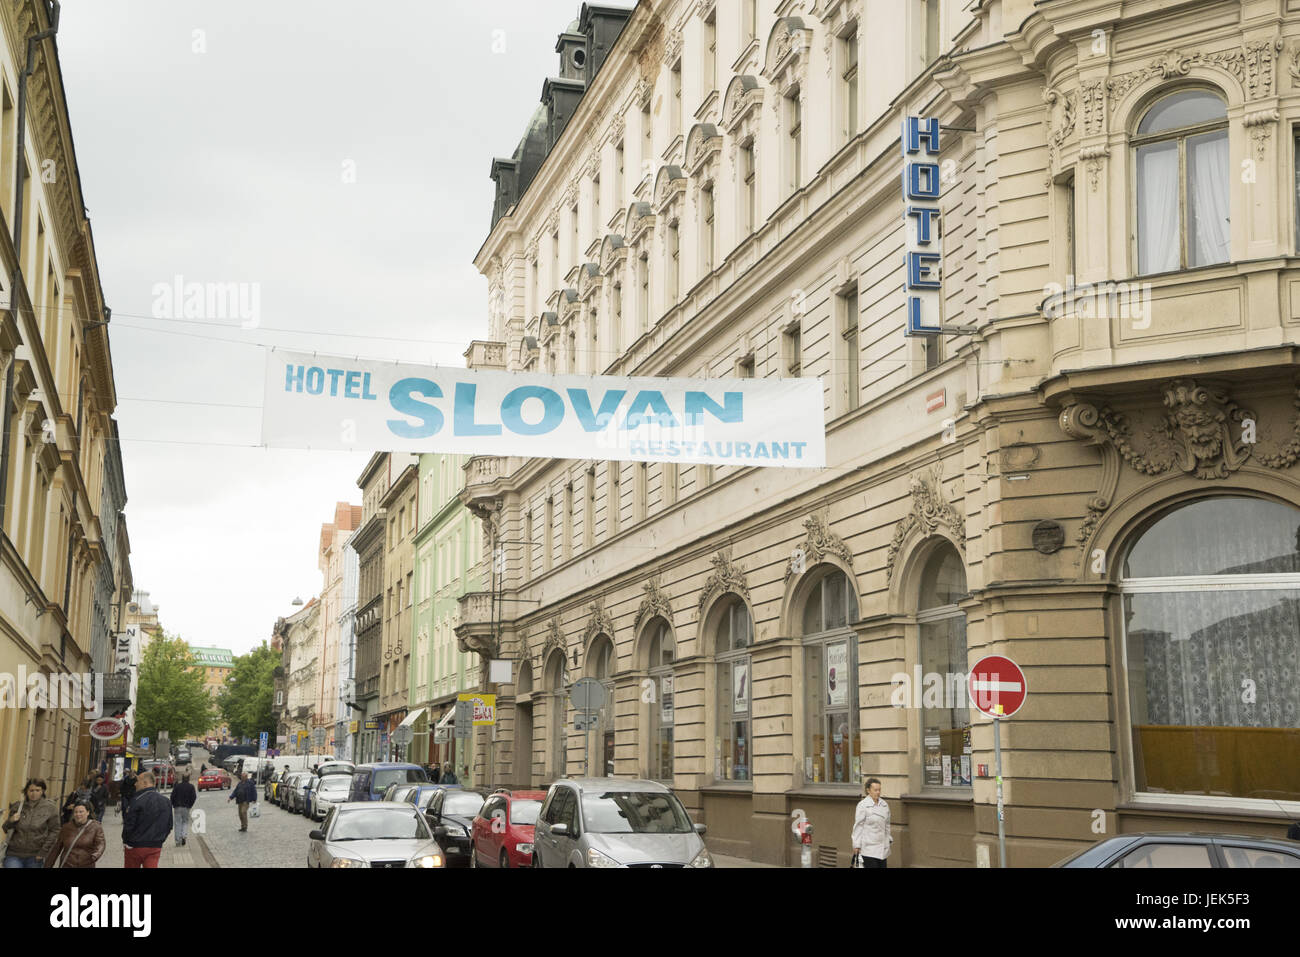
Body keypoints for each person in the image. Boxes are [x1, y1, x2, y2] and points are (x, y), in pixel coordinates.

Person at [2, 779, 60, 868]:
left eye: (37, 790)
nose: (34, 793)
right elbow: (5, 828)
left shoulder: (50, 808)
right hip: (14, 853)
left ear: (42, 791)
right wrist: (11, 820)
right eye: (31, 790)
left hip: (35, 855)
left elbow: (55, 831)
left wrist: (43, 851)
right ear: (26, 791)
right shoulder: (18, 806)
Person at [121, 771, 172, 868]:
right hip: (155, 846)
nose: (135, 784)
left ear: (145, 783)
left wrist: (126, 841)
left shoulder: (137, 800)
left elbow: (129, 824)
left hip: (135, 845)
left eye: (137, 781)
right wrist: (160, 840)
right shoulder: (166, 801)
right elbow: (169, 825)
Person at [45, 801, 105, 869]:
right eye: (76, 812)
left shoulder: (96, 827)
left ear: (88, 812)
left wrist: (96, 855)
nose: (78, 814)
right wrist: (48, 865)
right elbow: (56, 848)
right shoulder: (66, 828)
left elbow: (101, 843)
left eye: (81, 812)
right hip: (67, 864)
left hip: (86, 864)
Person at [851, 777, 892, 868]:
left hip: (882, 849)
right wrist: (856, 845)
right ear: (868, 790)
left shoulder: (884, 805)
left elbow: (887, 825)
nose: (878, 792)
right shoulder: (863, 805)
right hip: (868, 848)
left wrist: (888, 839)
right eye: (875, 790)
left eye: (879, 790)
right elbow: (858, 826)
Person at [170, 772, 197, 847]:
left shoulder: (177, 786)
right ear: (188, 779)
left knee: (177, 823)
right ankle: (183, 836)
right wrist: (190, 805)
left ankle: (178, 841)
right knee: (185, 822)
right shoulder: (191, 787)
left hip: (177, 807)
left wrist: (173, 804)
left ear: (182, 778)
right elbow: (194, 797)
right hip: (186, 807)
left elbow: (172, 796)